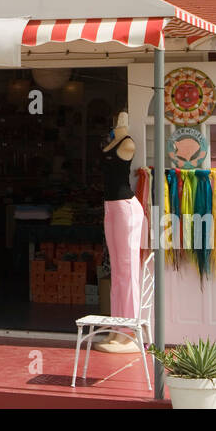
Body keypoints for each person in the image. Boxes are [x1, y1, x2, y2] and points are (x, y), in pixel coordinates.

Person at [97, 111, 149, 353]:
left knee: (128, 270)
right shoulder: (113, 142)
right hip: (111, 207)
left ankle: (129, 333)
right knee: (117, 271)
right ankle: (116, 328)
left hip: (126, 208)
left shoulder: (127, 142)